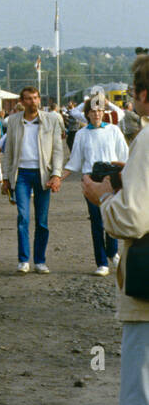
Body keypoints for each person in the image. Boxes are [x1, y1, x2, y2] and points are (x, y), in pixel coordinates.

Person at [83, 52, 149, 405]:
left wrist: (105, 196)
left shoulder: (147, 140)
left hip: (147, 302)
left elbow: (132, 219)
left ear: (143, 96)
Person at [1, 86, 66, 273]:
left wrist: (56, 174)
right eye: (29, 98)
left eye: (36, 98)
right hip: (20, 173)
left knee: (42, 220)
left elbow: (57, 149)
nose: (33, 102)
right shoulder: (13, 121)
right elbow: (8, 151)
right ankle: (23, 260)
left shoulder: (51, 120)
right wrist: (5, 178)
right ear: (22, 101)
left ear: (39, 99)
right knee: (23, 217)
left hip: (42, 174)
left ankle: (39, 260)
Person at [64, 98, 128, 275]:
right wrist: (59, 177)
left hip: (111, 178)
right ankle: (101, 262)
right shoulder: (81, 134)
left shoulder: (113, 130)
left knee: (111, 216)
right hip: (91, 179)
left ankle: (112, 252)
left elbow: (124, 155)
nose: (97, 114)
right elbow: (75, 160)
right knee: (96, 221)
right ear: (87, 114)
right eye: (93, 111)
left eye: (100, 110)